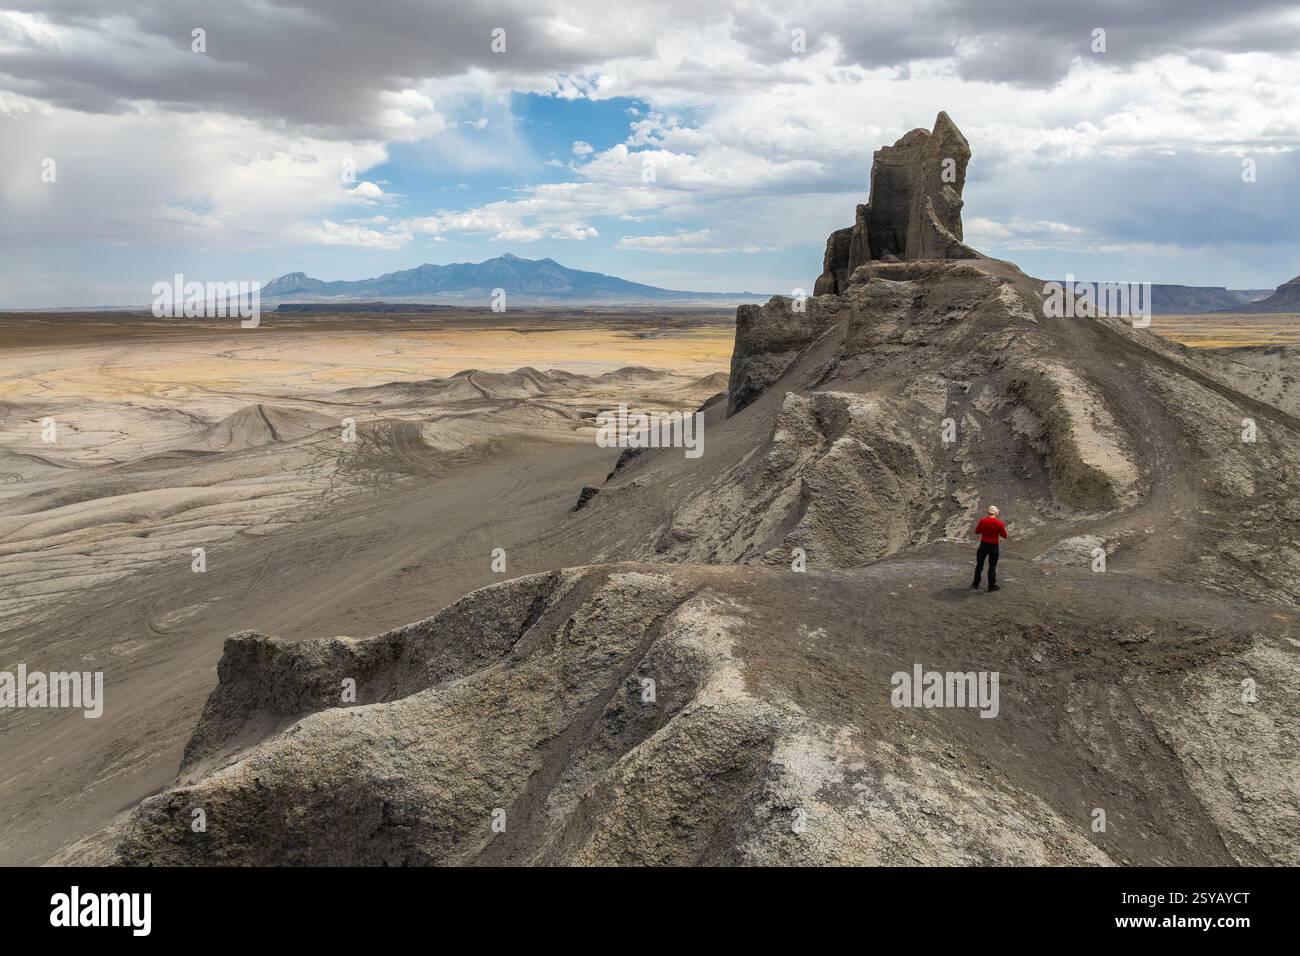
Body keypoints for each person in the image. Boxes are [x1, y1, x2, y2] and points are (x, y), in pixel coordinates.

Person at [971, 505, 1008, 592]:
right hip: (994, 546)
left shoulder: (982, 521)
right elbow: (1005, 535)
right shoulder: (999, 523)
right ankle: (991, 585)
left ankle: (975, 583)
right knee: (992, 566)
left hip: (983, 545)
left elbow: (977, 531)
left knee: (979, 565)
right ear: (996, 513)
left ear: (988, 512)